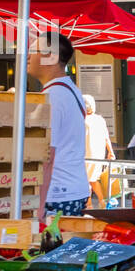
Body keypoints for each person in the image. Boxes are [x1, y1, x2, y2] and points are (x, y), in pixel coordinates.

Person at [30, 31, 90, 218]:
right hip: (74, 189)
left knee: (51, 247)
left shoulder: (53, 96)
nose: (28, 56)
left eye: (33, 50)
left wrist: (39, 205)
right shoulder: (71, 90)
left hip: (57, 194)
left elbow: (48, 154)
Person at [82, 94, 115, 207]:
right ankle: (102, 201)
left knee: (86, 180)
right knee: (93, 179)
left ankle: (89, 204)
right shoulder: (100, 119)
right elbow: (106, 137)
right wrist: (110, 152)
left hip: (86, 153)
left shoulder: (83, 120)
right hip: (98, 154)